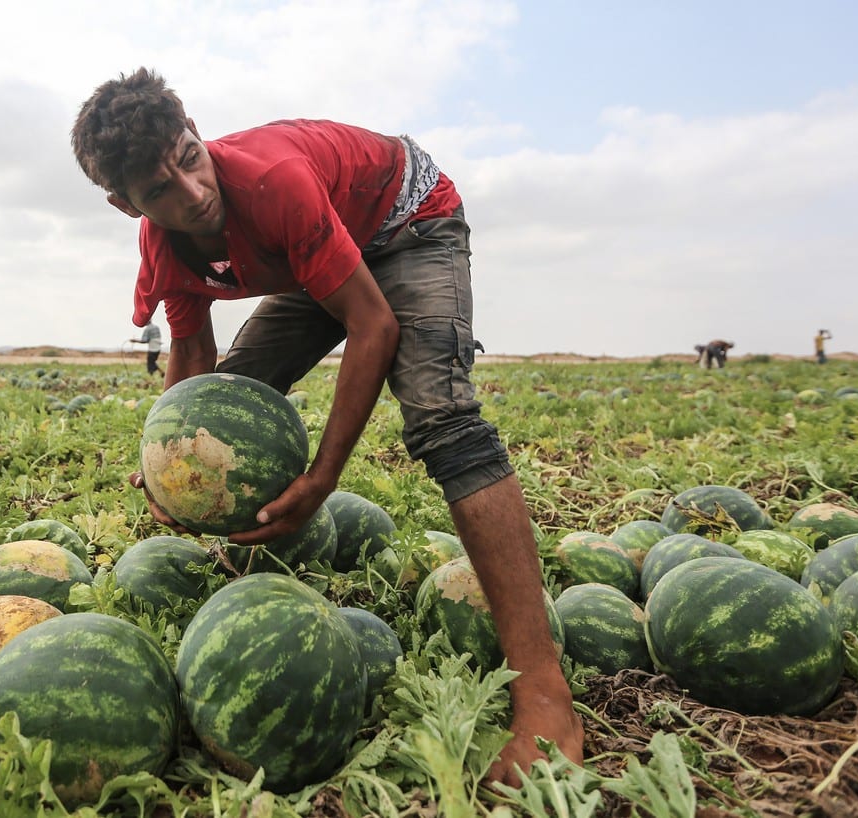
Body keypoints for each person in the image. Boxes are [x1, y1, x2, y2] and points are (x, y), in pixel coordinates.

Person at [71, 68, 584, 784]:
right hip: (318, 252)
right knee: (231, 405)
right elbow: (191, 358)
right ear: (126, 205)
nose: (193, 191)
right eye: (160, 190)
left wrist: (321, 478)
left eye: (190, 157)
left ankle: (545, 693)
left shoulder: (271, 182)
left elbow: (373, 324)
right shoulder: (164, 246)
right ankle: (246, 567)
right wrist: (168, 460)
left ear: (195, 130)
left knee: (444, 421)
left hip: (407, 222)